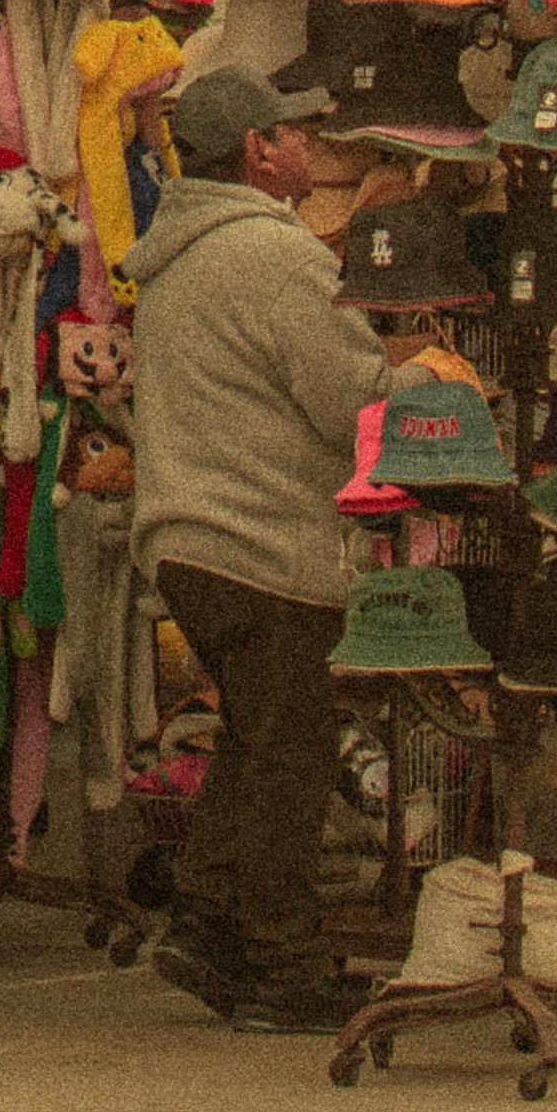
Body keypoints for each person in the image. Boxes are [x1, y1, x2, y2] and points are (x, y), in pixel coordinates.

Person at [127, 57, 385, 1031]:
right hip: (264, 544)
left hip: (191, 542)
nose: (308, 150)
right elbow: (348, 398)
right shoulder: (275, 257)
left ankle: (208, 924)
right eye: (293, 135)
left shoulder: (182, 255)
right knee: (293, 754)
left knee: (258, 740)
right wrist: (435, 388)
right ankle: (284, 966)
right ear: (256, 151)